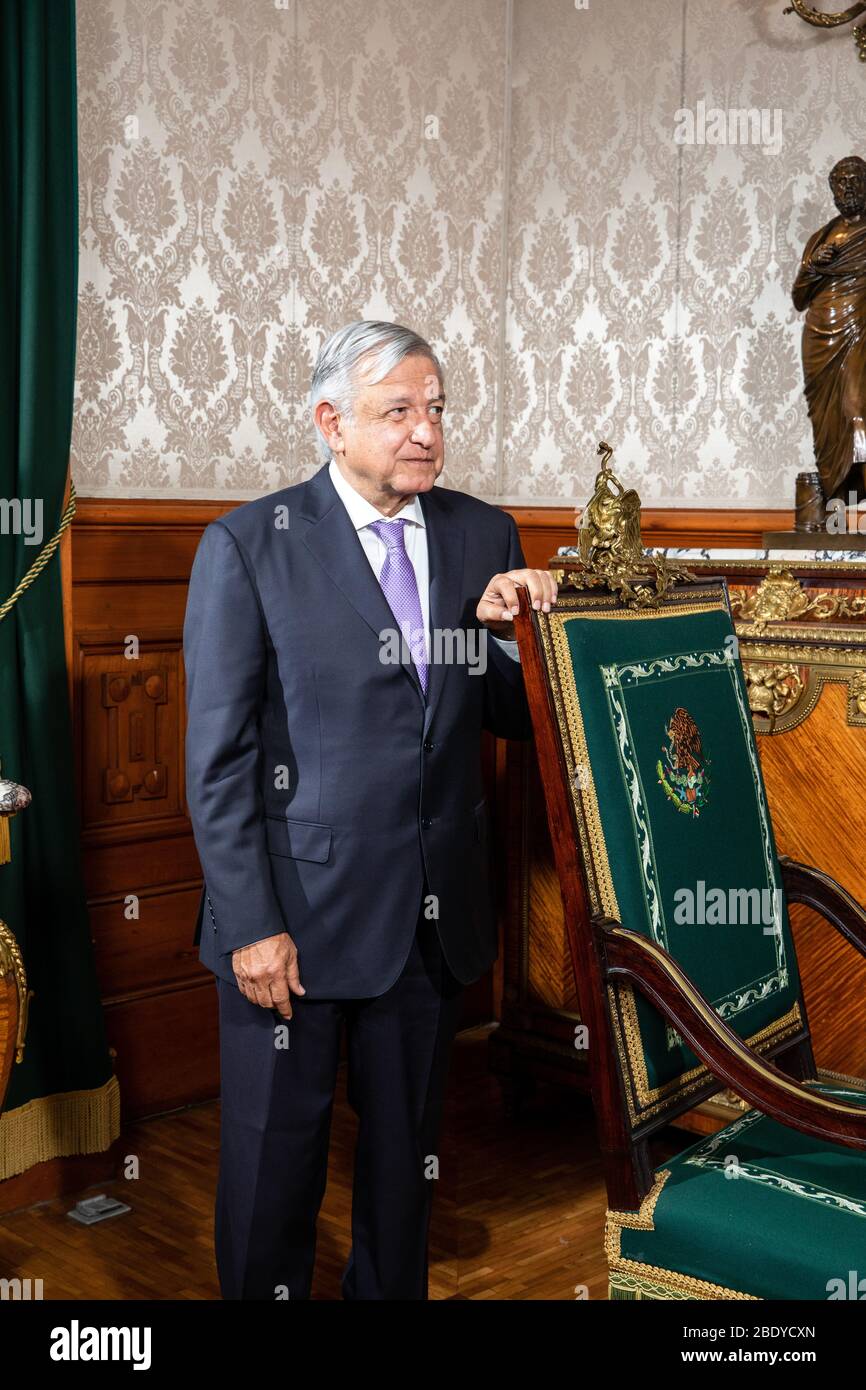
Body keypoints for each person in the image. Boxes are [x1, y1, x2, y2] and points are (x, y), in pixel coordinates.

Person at [183, 319, 557, 1299]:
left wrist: (524, 637)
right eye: (398, 411)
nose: (426, 430)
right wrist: (249, 926)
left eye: (435, 408)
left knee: (405, 1171)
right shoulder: (247, 546)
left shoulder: (484, 535)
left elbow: (509, 718)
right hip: (291, 924)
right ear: (330, 423)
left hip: (430, 920)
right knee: (274, 1167)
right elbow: (217, 764)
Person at [793, 155, 866, 502]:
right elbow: (798, 297)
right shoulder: (820, 237)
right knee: (825, 420)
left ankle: (858, 488)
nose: (847, 187)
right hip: (819, 334)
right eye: (840, 181)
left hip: (858, 330)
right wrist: (813, 267)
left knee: (856, 408)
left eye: (854, 179)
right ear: (832, 190)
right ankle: (835, 501)